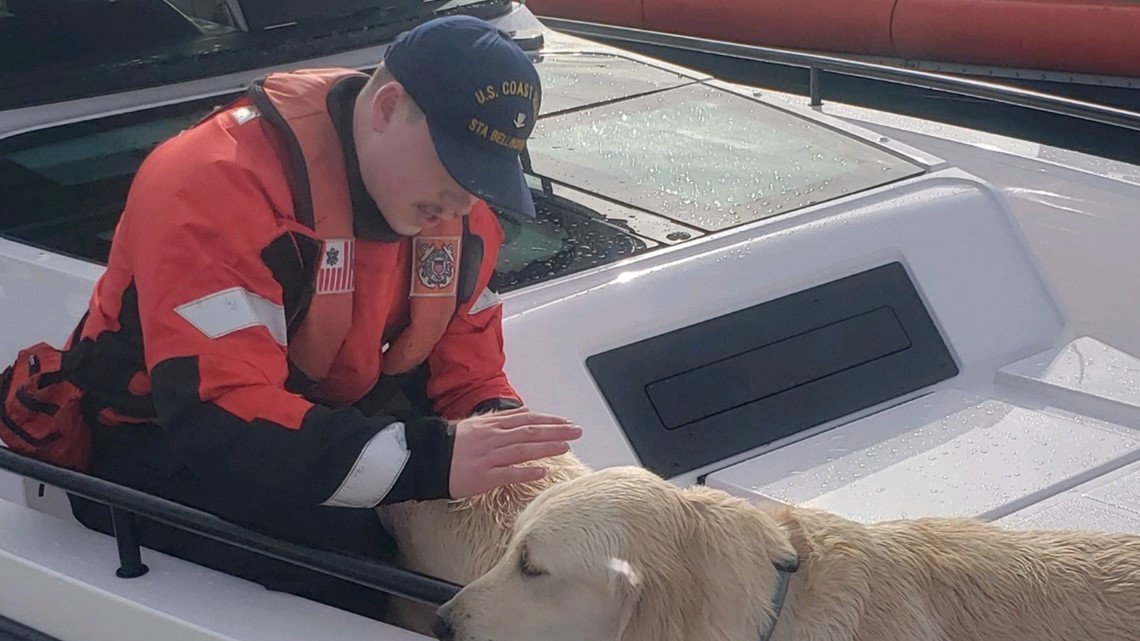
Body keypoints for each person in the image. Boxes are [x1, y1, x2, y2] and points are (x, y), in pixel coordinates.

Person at [8, 15, 580, 620]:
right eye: (458, 167)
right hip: (168, 438)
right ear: (385, 108)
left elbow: (468, 370)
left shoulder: (451, 209)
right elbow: (218, 416)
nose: (467, 201)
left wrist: (505, 438)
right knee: (363, 572)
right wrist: (432, 460)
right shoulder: (212, 185)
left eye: (486, 178)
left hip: (326, 420)